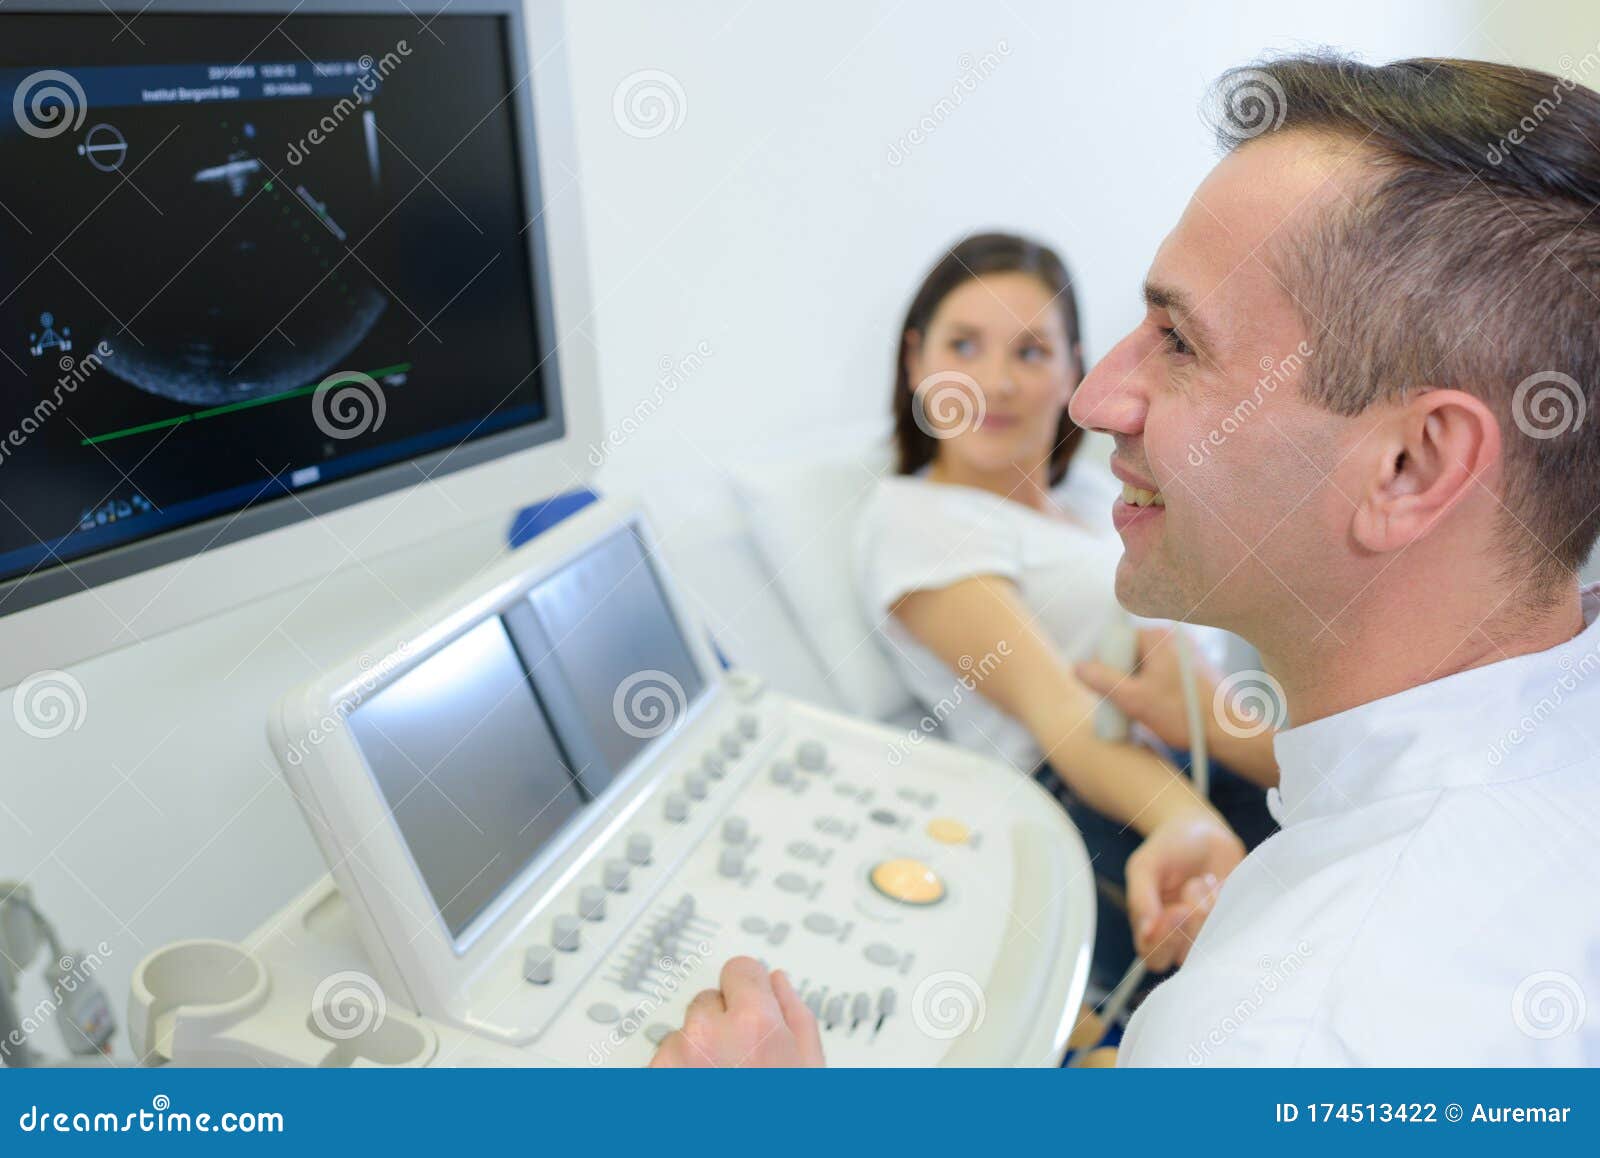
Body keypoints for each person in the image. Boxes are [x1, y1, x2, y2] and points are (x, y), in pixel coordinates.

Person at [649, 53, 1600, 1068]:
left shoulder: (1277, 1040)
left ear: (1410, 465)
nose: (1089, 399)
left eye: (1178, 342)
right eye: (966, 345)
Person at [853, 232, 1275, 990]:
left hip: (1234, 767)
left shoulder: (1101, 499)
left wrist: (1236, 735)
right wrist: (1186, 822)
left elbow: (1201, 693)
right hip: (1114, 821)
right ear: (916, 360)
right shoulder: (918, 518)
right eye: (965, 345)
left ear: (1074, 370)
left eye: (1030, 352)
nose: (997, 381)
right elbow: (1063, 716)